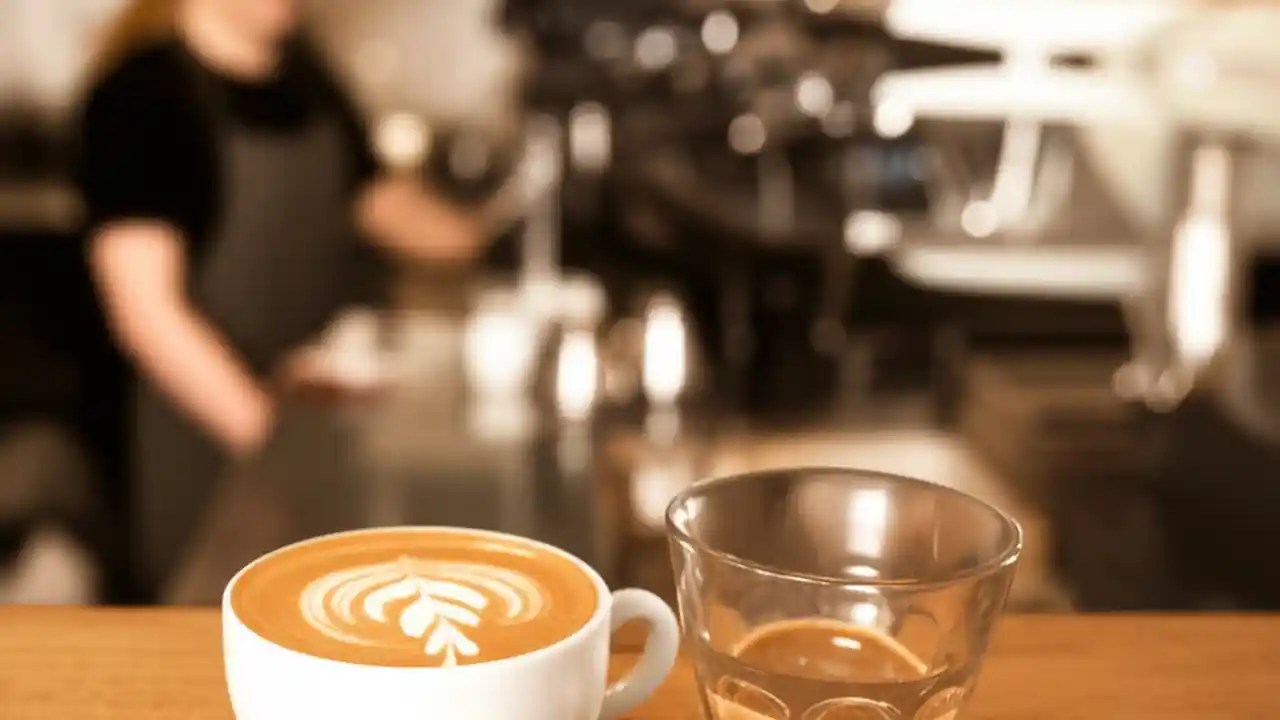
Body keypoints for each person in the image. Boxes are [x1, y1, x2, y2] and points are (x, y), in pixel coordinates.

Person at [77, 0, 479, 596]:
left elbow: (374, 200)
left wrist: (483, 234)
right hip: (207, 439)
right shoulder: (141, 96)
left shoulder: (305, 78)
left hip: (320, 422)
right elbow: (147, 315)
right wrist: (272, 443)